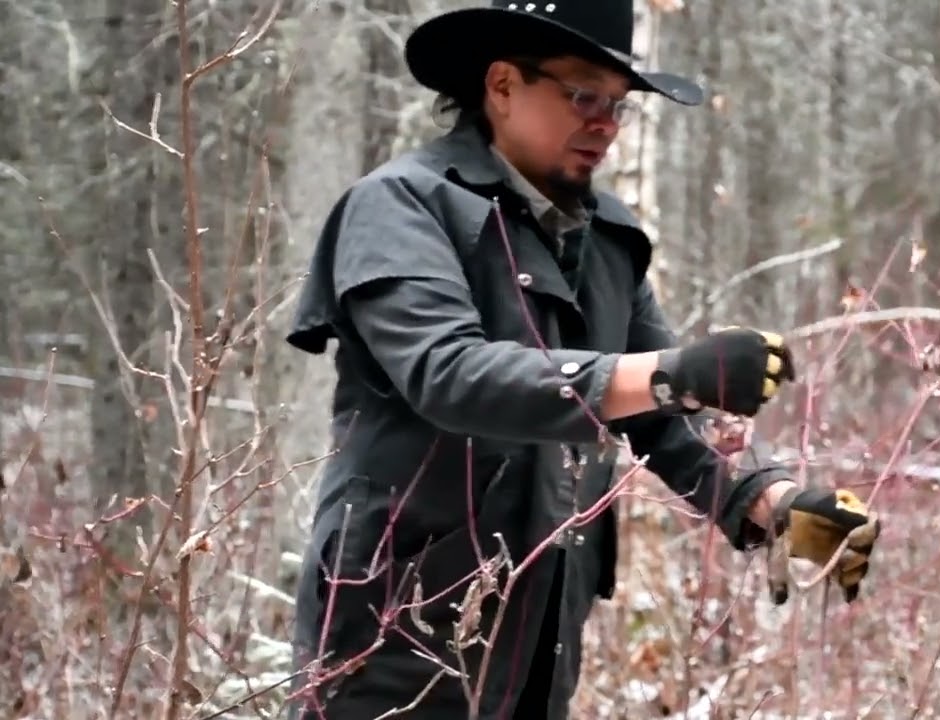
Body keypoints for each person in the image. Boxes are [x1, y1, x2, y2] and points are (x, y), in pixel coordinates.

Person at [283, 1, 882, 718]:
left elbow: (661, 418)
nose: (605, 122)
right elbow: (448, 374)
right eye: (583, 96)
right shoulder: (401, 207)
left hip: (542, 630)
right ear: (501, 85)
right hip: (395, 624)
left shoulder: (605, 240)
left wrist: (774, 502)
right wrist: (669, 372)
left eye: (618, 106)